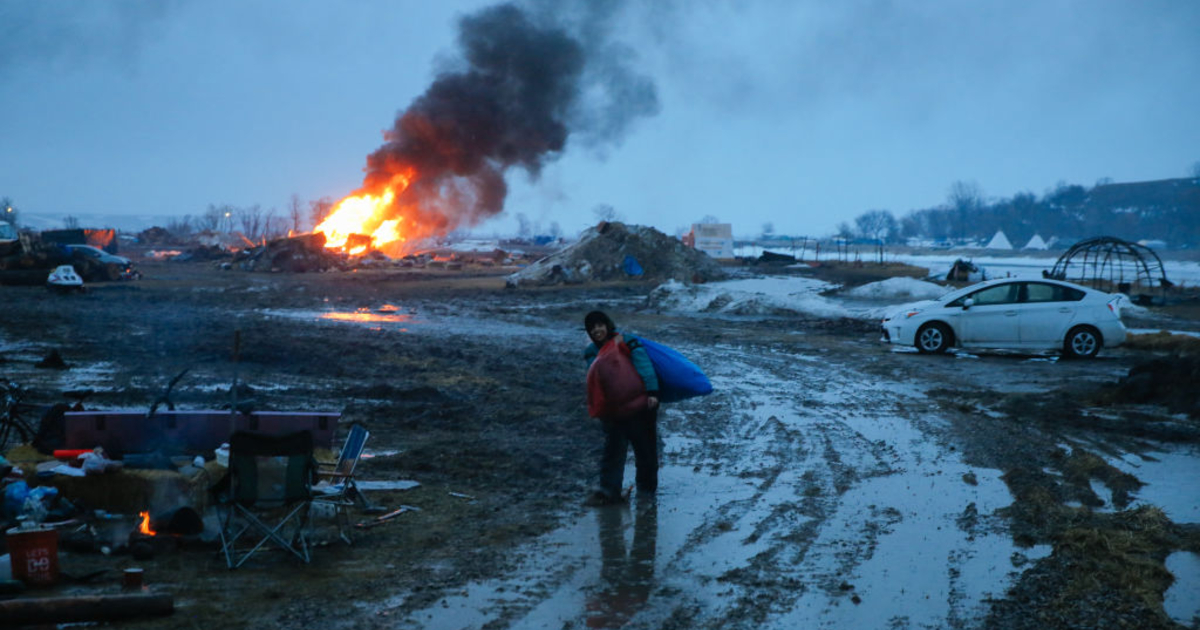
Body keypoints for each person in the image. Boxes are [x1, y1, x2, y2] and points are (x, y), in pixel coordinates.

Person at [583, 310, 659, 506]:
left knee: (645, 450)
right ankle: (609, 491)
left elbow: (643, 364)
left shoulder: (627, 341)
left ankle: (646, 492)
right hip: (613, 411)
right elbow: (596, 381)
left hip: (641, 406)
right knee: (613, 451)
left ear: (607, 325)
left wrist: (652, 392)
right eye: (592, 327)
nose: (597, 330)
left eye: (600, 325)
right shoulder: (591, 352)